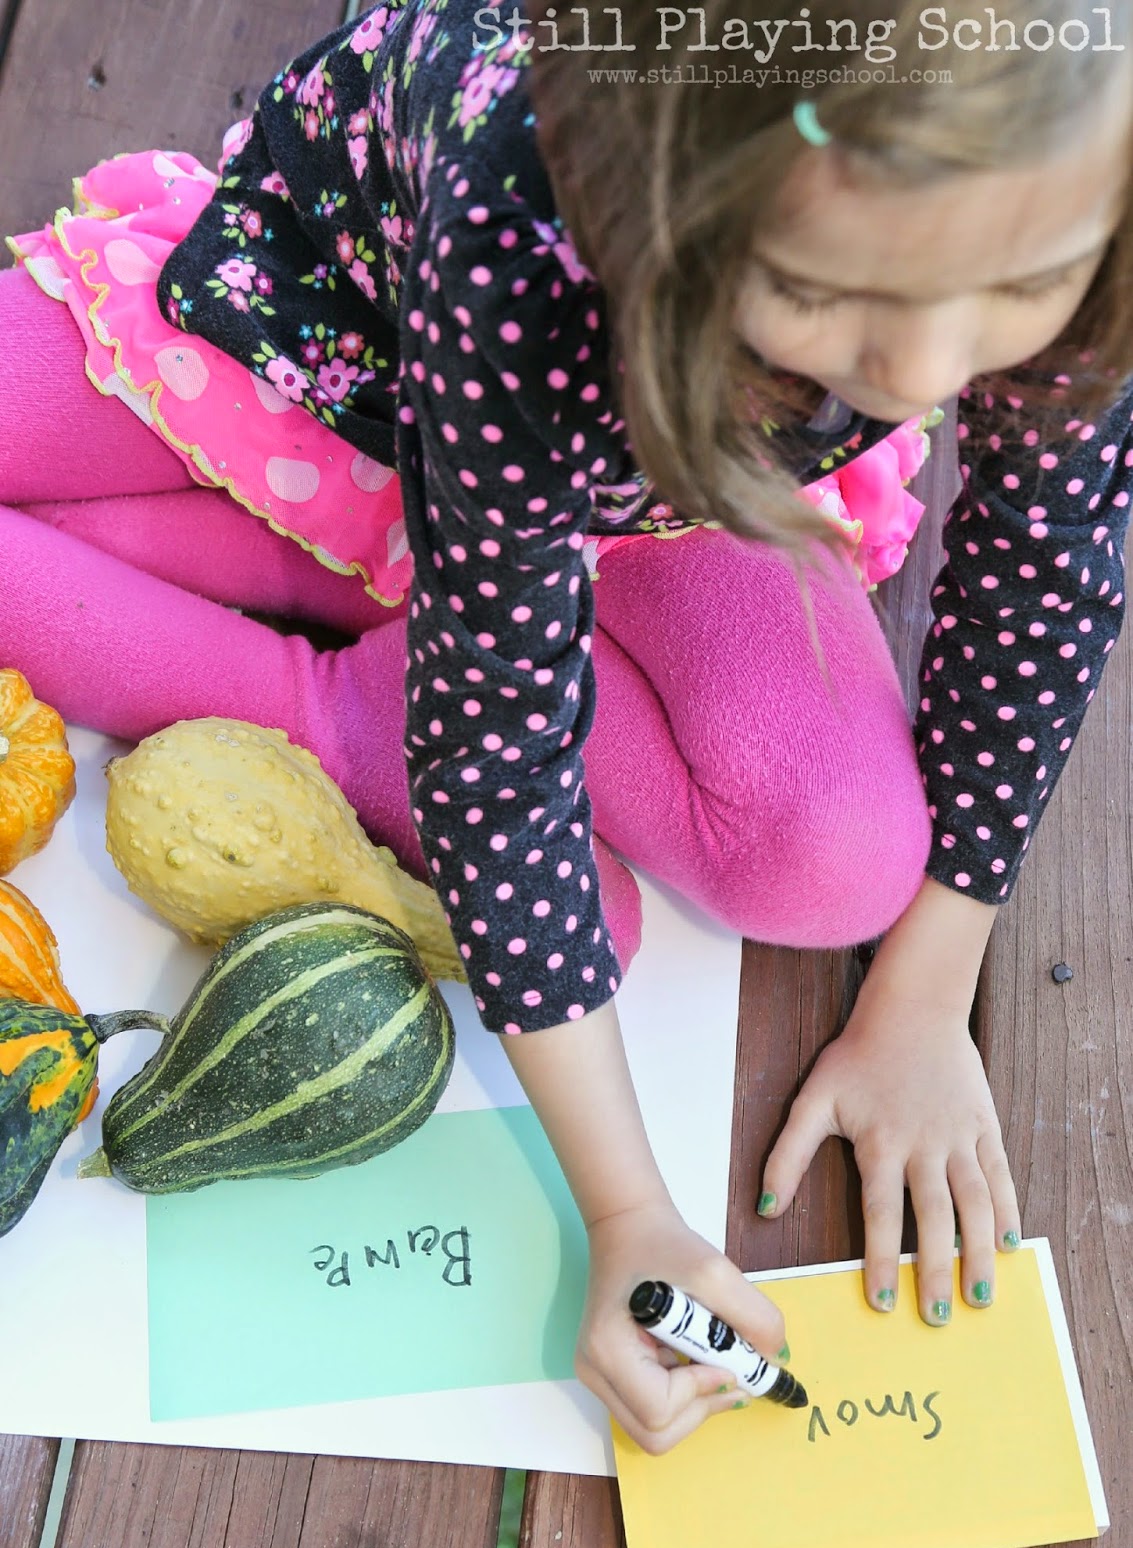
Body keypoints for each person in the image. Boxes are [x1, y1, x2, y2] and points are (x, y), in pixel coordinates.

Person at [2, 0, 1131, 1456]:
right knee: (470, 661)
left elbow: (1044, 570)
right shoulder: (525, 210)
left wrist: (921, 993)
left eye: (1013, 282)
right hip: (348, 334)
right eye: (826, 289)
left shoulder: (1064, 144)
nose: (921, 378)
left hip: (667, 472)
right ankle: (353, 637)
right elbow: (495, 743)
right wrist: (626, 1211)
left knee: (838, 862)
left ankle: (352, 670)